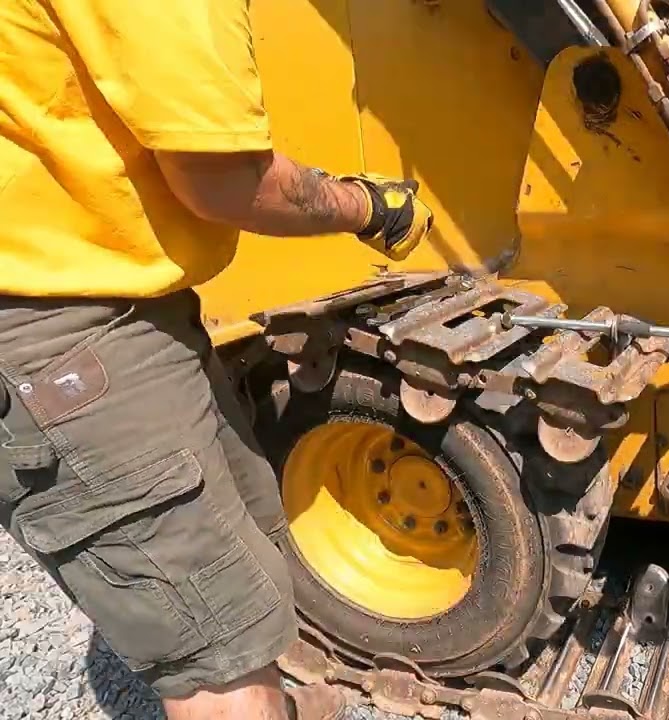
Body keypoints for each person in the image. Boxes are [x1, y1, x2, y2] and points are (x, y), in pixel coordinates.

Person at [0, 2, 431, 718]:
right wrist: (370, 208)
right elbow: (227, 180)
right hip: (61, 328)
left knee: (242, 564)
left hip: (128, 298)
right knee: (217, 663)